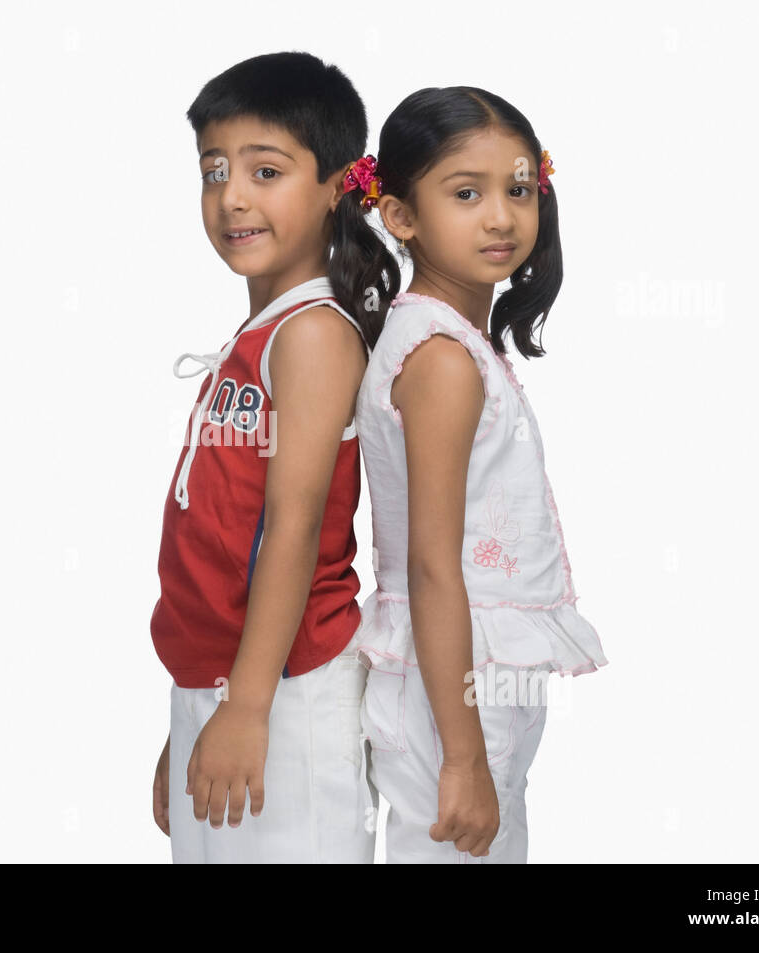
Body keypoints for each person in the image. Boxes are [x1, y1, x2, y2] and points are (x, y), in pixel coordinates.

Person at [148, 51, 400, 863]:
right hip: (221, 691)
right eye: (213, 169)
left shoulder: (314, 334)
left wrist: (248, 705)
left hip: (287, 696)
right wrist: (188, 714)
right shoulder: (259, 337)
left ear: (337, 185)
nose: (232, 196)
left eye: (266, 169)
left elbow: (292, 529)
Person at [348, 86, 609, 863]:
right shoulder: (441, 361)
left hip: (470, 673)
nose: (501, 217)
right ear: (399, 215)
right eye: (467, 193)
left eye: (518, 190)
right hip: (455, 685)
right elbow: (432, 565)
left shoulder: (453, 341)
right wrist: (463, 757)